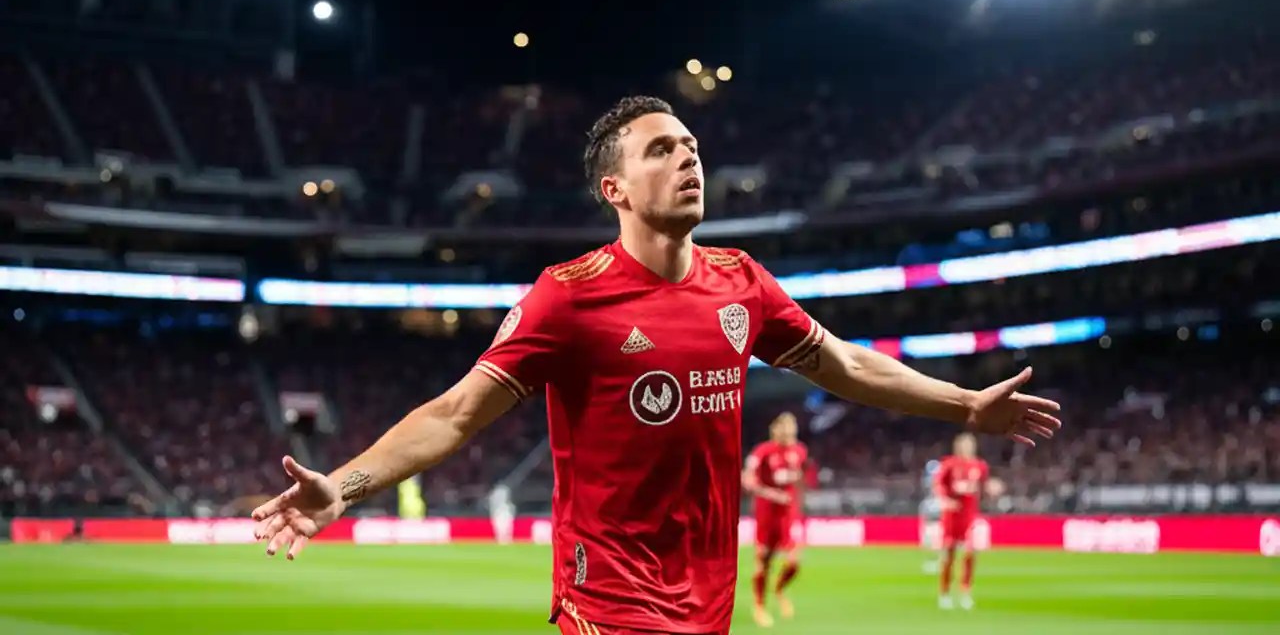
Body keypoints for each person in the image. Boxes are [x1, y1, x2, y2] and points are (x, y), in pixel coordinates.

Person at [250, 96, 1062, 635]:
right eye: (663, 149)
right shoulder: (567, 298)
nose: (688, 159)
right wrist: (345, 488)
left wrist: (963, 406)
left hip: (708, 602)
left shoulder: (743, 282)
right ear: (616, 188)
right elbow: (455, 412)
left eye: (693, 146)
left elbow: (843, 363)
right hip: (607, 601)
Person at [743, 412, 811, 628]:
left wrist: (797, 503)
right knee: (763, 562)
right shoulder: (762, 452)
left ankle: (780, 589)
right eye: (785, 429)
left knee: (794, 561)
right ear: (775, 430)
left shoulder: (800, 451)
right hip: (766, 515)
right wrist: (770, 494)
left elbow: (800, 478)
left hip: (789, 515)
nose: (789, 433)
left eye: (793, 429)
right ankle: (760, 605)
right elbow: (747, 480)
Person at [933, 432, 996, 610]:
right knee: (949, 554)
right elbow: (938, 484)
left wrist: (992, 490)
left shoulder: (980, 466)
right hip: (952, 517)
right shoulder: (950, 464)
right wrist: (945, 500)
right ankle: (944, 593)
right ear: (958, 446)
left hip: (970, 516)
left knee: (970, 552)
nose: (967, 448)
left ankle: (965, 591)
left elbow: (984, 487)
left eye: (970, 444)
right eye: (965, 444)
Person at [919, 458, 943, 574]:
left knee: (937, 540)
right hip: (932, 515)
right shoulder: (929, 483)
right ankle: (935, 560)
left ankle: (939, 561)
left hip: (938, 517)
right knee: (930, 540)